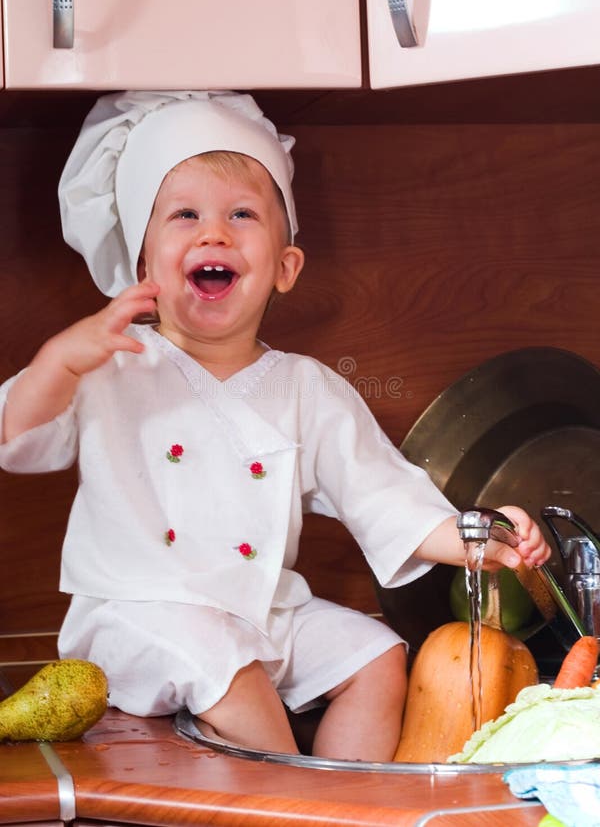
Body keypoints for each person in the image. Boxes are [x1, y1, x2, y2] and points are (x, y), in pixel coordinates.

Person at [0, 91, 550, 761]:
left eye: (241, 214)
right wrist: (59, 358)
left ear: (285, 267)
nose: (214, 233)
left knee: (376, 656)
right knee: (229, 668)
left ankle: (346, 803)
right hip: (134, 612)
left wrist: (477, 538)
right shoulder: (109, 366)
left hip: (264, 610)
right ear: (142, 265)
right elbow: (17, 438)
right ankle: (294, 808)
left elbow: (382, 496)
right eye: (184, 215)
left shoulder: (308, 387)